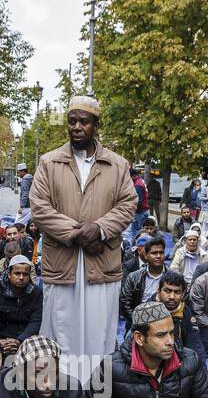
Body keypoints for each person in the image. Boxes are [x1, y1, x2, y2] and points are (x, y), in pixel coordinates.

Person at [29, 96, 137, 379]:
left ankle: (95, 394)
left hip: (101, 264)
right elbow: (39, 207)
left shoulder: (117, 165)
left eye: (83, 122)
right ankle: (60, 393)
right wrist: (80, 234)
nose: (76, 127)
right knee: (60, 330)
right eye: (72, 121)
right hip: (61, 264)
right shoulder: (49, 162)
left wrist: (100, 229)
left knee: (98, 332)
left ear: (96, 125)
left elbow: (127, 205)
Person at [0, 255, 43, 355]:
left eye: (25, 274)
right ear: (9, 274)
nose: (21, 277)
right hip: (2, 341)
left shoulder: (36, 293)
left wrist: (19, 341)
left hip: (26, 341)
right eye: (17, 273)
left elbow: (36, 322)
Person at [119, 234, 169, 324]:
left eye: (161, 252)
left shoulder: (172, 276)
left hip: (165, 322)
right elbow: (125, 303)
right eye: (154, 253)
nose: (158, 256)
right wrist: (139, 322)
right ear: (146, 256)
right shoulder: (134, 277)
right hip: (138, 323)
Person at [130, 167, 150, 237]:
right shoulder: (141, 181)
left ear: (133, 176)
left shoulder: (137, 185)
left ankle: (136, 247)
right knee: (143, 232)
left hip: (139, 212)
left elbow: (138, 201)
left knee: (136, 233)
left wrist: (134, 212)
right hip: (144, 211)